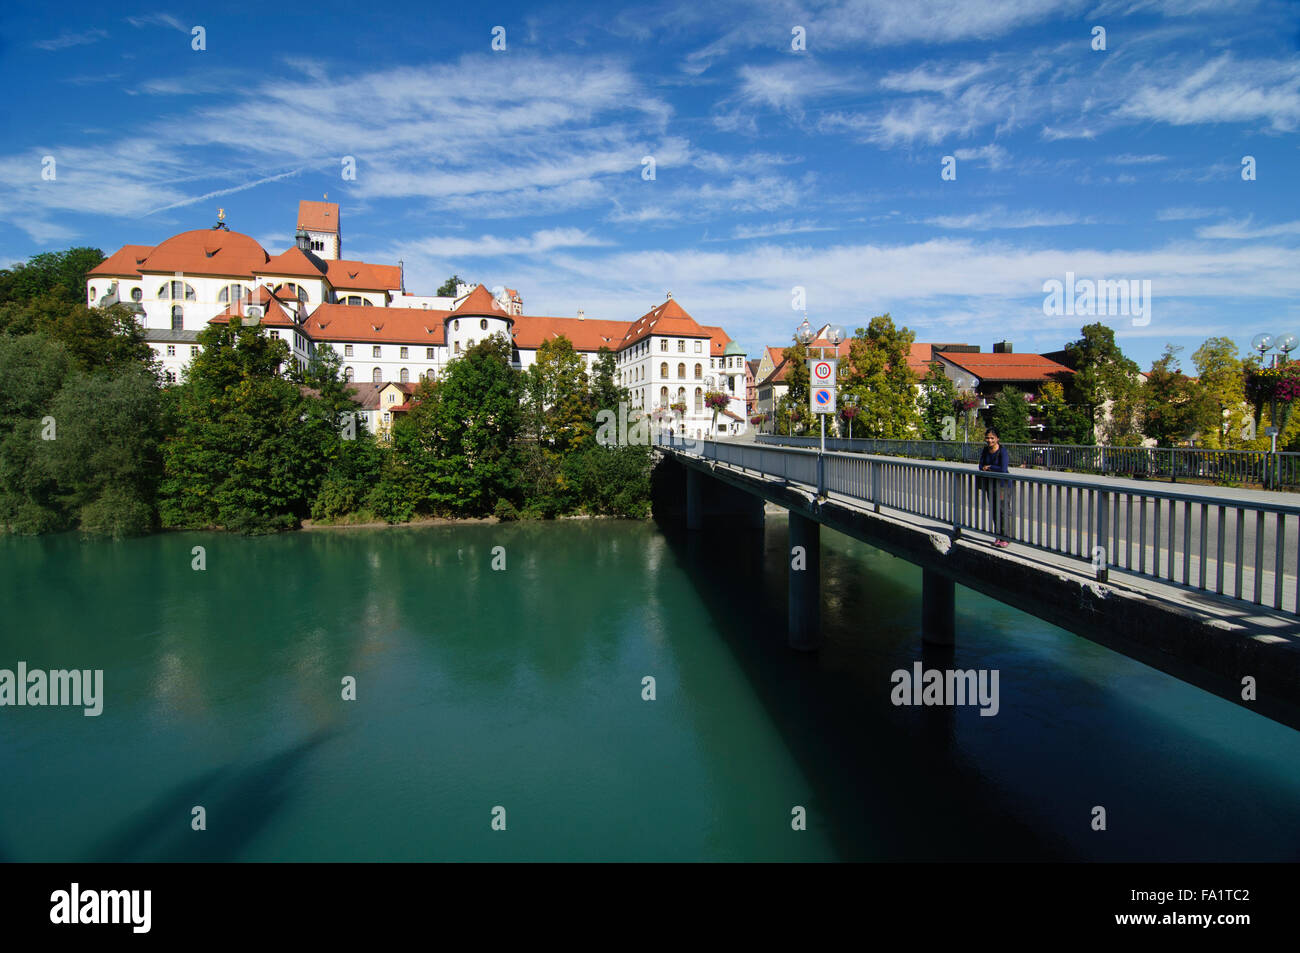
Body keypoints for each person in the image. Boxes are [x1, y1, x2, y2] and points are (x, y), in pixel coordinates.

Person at [978, 428, 1011, 547]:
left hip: (1002, 485)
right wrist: (985, 467)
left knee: (1003, 511)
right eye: (987, 438)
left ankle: (1005, 537)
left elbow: (1003, 468)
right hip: (990, 484)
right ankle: (998, 536)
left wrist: (990, 467)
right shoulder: (985, 450)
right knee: (994, 510)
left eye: (992, 438)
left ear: (997, 439)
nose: (989, 440)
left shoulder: (1002, 451)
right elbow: (980, 465)